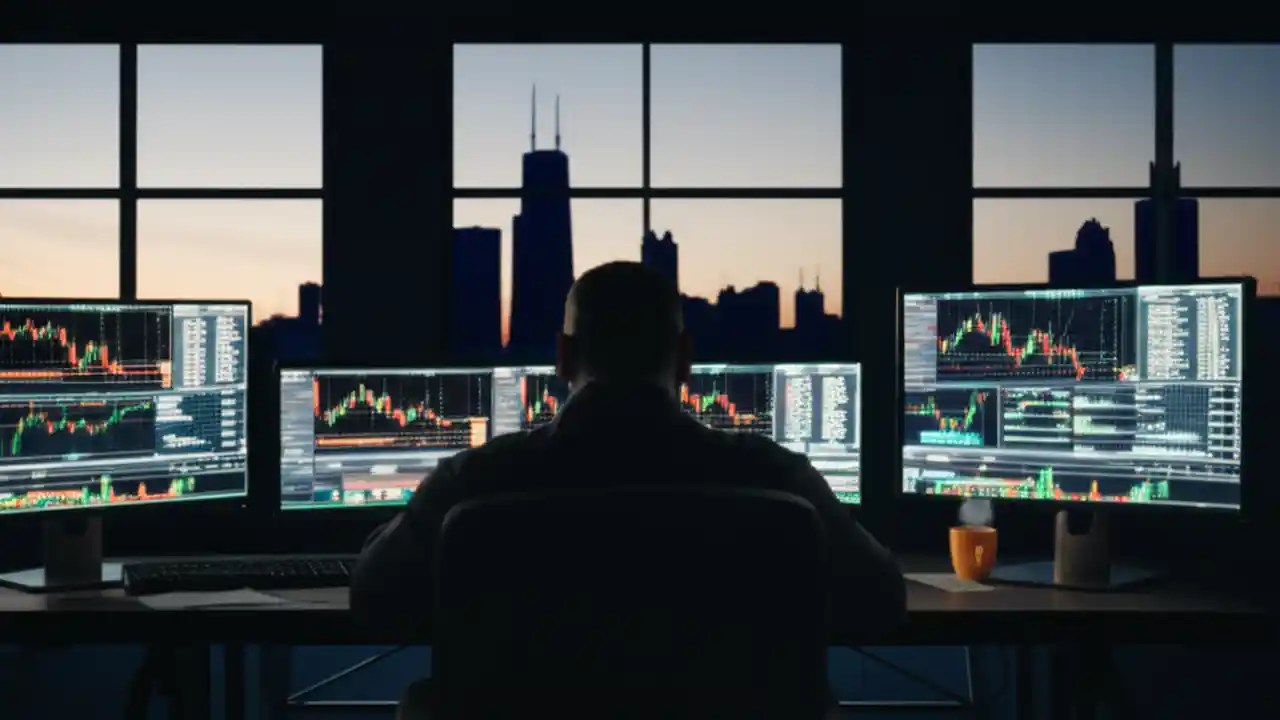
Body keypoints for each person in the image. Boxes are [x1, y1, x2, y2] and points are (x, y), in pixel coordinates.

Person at [351, 261, 906, 718]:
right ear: (685, 358)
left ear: (563, 357)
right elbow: (881, 600)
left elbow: (373, 597)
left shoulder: (473, 482)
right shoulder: (779, 481)